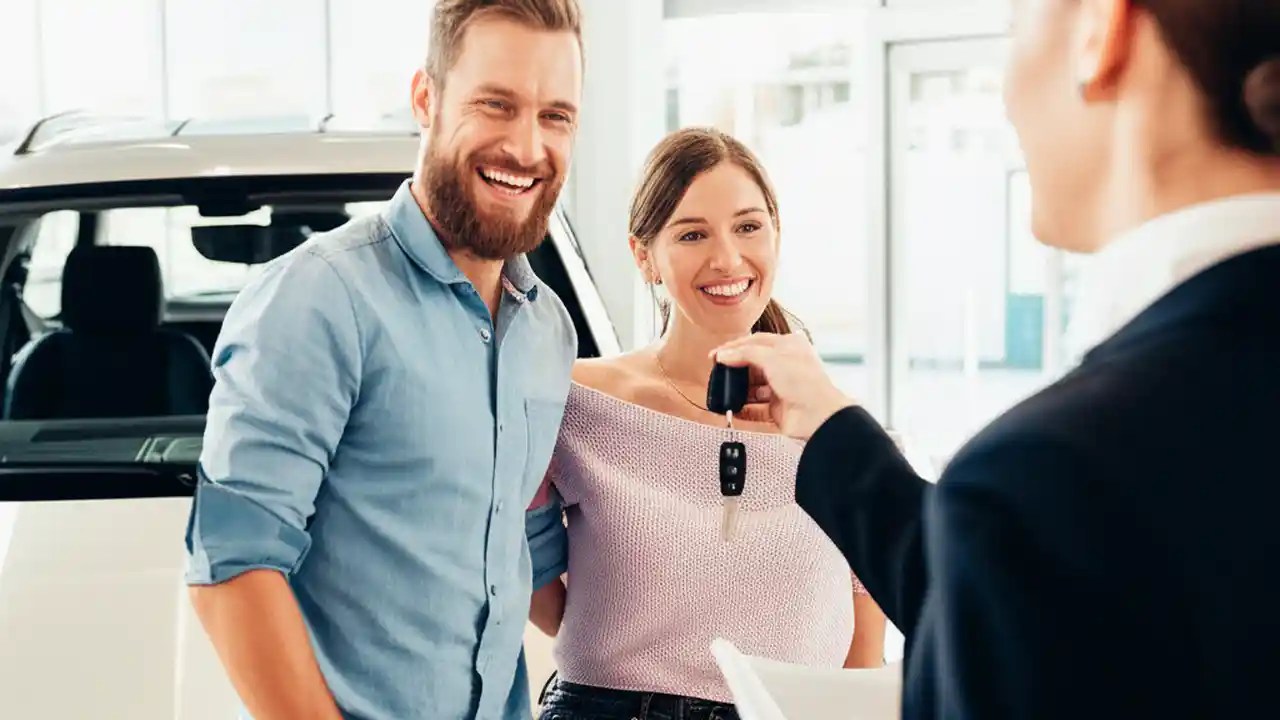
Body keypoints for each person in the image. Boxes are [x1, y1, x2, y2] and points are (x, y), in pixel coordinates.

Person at [712, 0, 1280, 718]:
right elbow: (1050, 605)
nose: (1007, 94)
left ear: (1102, 30)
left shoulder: (1051, 477)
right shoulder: (1060, 490)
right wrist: (833, 430)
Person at [182, 1, 585, 718]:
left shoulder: (547, 330)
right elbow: (232, 564)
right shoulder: (320, 298)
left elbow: (530, 549)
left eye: (556, 116)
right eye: (496, 104)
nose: (527, 146)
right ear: (426, 99)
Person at [524, 127, 888, 720]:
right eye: (692, 234)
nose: (726, 258)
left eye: (748, 227)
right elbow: (532, 580)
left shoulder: (842, 434)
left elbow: (861, 661)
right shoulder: (575, 405)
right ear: (644, 256)